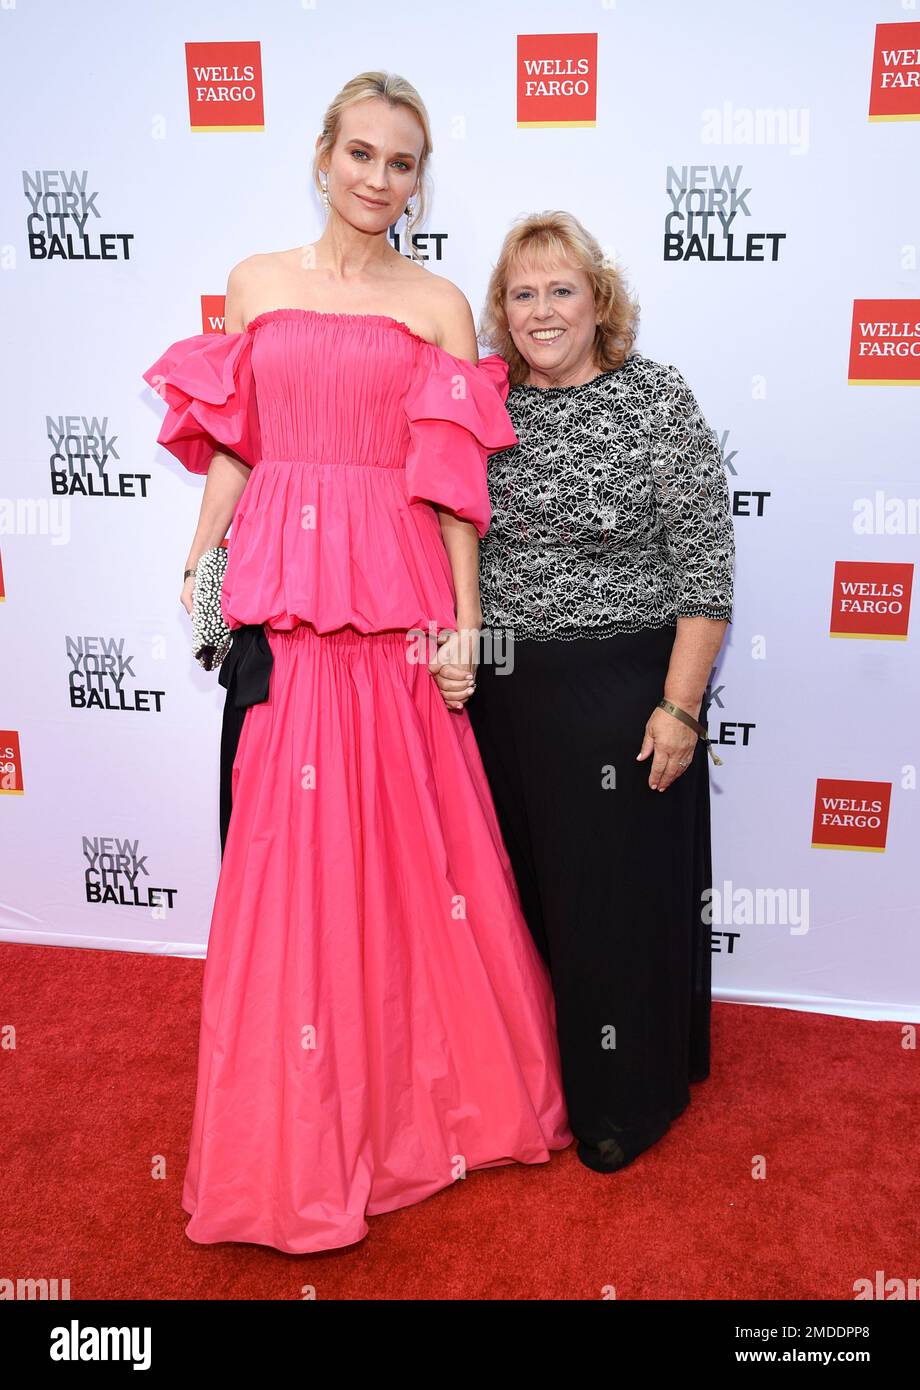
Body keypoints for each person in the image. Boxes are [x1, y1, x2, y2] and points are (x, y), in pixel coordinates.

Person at [141, 74, 571, 1255]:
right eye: (363, 155)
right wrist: (199, 561)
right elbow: (237, 441)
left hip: (390, 603)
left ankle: (416, 1108)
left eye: (402, 162)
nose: (380, 179)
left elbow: (450, 480)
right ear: (321, 157)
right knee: (286, 862)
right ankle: (293, 1126)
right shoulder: (255, 284)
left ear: (418, 179)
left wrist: (464, 623)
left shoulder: (436, 304)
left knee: (410, 854)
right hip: (285, 597)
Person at [435, 211, 735, 1173]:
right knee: (520, 901)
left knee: (610, 906)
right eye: (522, 294)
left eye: (561, 289)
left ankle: (622, 1099)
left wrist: (679, 708)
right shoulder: (484, 403)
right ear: (501, 312)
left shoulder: (655, 400)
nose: (541, 310)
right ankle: (532, 1088)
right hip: (503, 699)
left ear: (599, 300)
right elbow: (446, 534)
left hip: (620, 691)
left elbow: (705, 571)